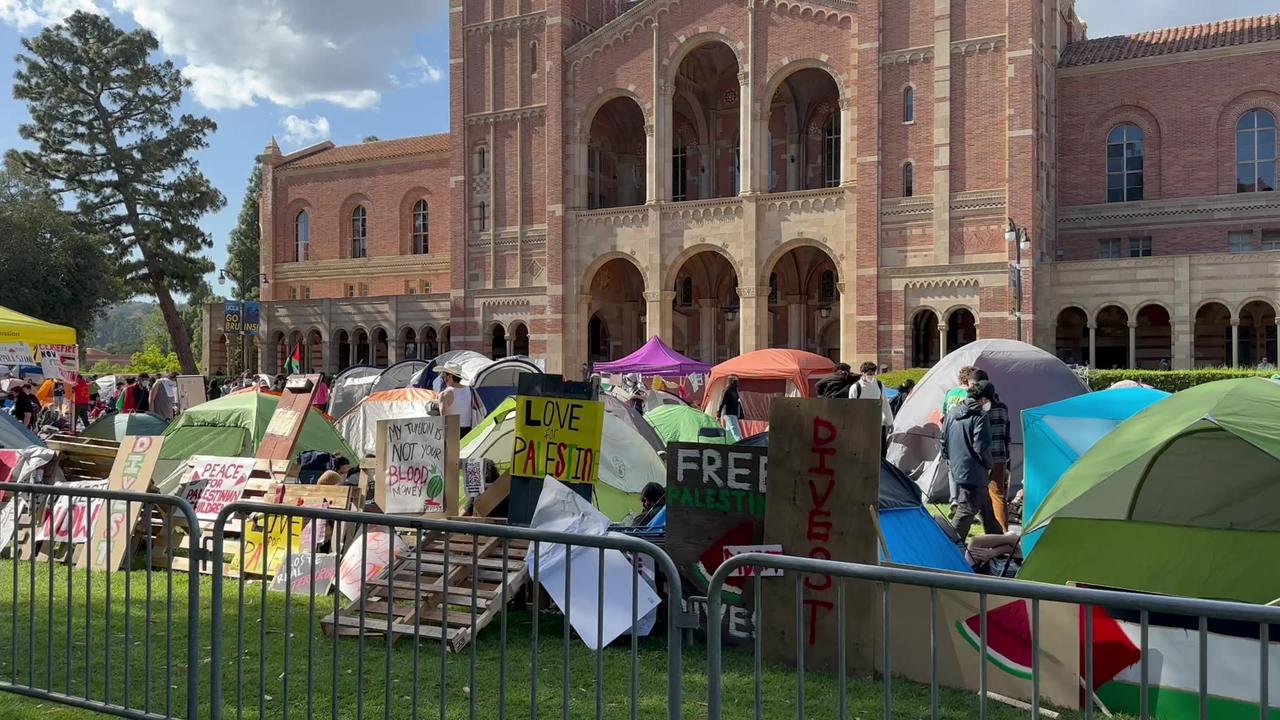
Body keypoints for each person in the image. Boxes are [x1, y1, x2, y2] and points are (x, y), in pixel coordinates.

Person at [941, 381, 1001, 541]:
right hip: (976, 471)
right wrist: (990, 465)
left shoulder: (952, 413)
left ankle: (999, 543)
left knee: (987, 511)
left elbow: (943, 440)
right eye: (988, 400)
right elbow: (981, 447)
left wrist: (950, 461)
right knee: (965, 512)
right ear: (983, 399)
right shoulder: (980, 417)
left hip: (958, 468)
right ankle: (950, 548)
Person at [977, 381, 1011, 531]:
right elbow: (1007, 435)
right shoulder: (1003, 408)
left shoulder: (982, 410)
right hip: (1001, 457)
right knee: (999, 495)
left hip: (986, 458)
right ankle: (1004, 529)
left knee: (984, 495)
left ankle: (995, 530)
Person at [849, 362, 893, 457]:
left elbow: (885, 403)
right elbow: (851, 408)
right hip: (861, 425)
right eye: (869, 374)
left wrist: (889, 421)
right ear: (862, 373)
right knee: (863, 451)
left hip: (878, 424)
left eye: (873, 373)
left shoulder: (879, 385)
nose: (871, 376)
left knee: (880, 453)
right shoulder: (856, 388)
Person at [439, 362, 475, 436]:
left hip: (452, 432)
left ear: (449, 376)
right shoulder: (471, 390)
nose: (443, 379)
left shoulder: (445, 394)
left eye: (443, 376)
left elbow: (443, 419)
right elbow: (481, 409)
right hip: (470, 431)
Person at [717, 375, 744, 442]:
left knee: (729, 431)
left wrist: (740, 414)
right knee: (735, 430)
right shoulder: (727, 390)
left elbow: (738, 403)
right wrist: (718, 414)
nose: (737, 383)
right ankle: (740, 444)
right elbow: (721, 403)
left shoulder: (735, 391)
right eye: (735, 381)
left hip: (734, 414)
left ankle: (726, 443)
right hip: (729, 413)